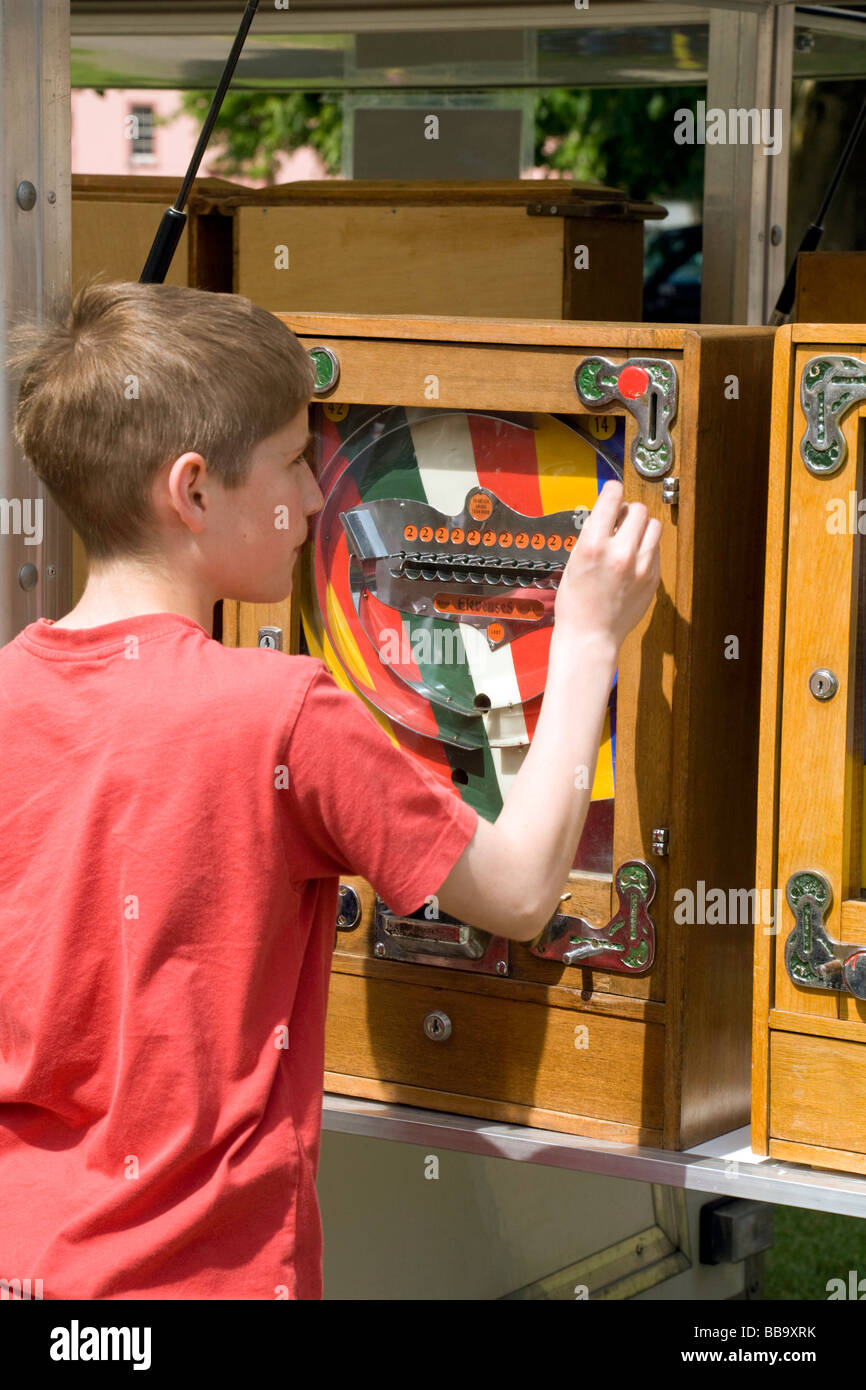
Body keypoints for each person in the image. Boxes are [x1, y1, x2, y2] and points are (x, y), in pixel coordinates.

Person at [0, 279, 661, 1300]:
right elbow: (525, 890)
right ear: (192, 490)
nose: (317, 500)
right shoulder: (285, 712)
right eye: (293, 463)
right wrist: (584, 642)